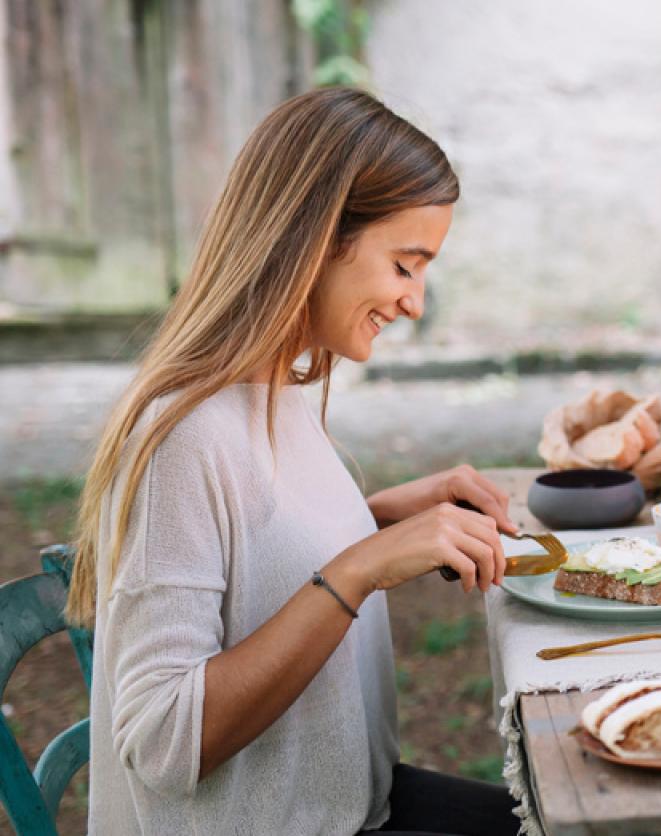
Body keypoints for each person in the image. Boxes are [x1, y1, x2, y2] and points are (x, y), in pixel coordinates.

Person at [67, 87, 525, 835]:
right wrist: (364, 562)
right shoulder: (182, 437)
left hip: (346, 806)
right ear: (318, 237)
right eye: (405, 264)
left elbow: (250, 567)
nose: (414, 301)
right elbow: (163, 741)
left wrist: (376, 521)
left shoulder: (276, 395)